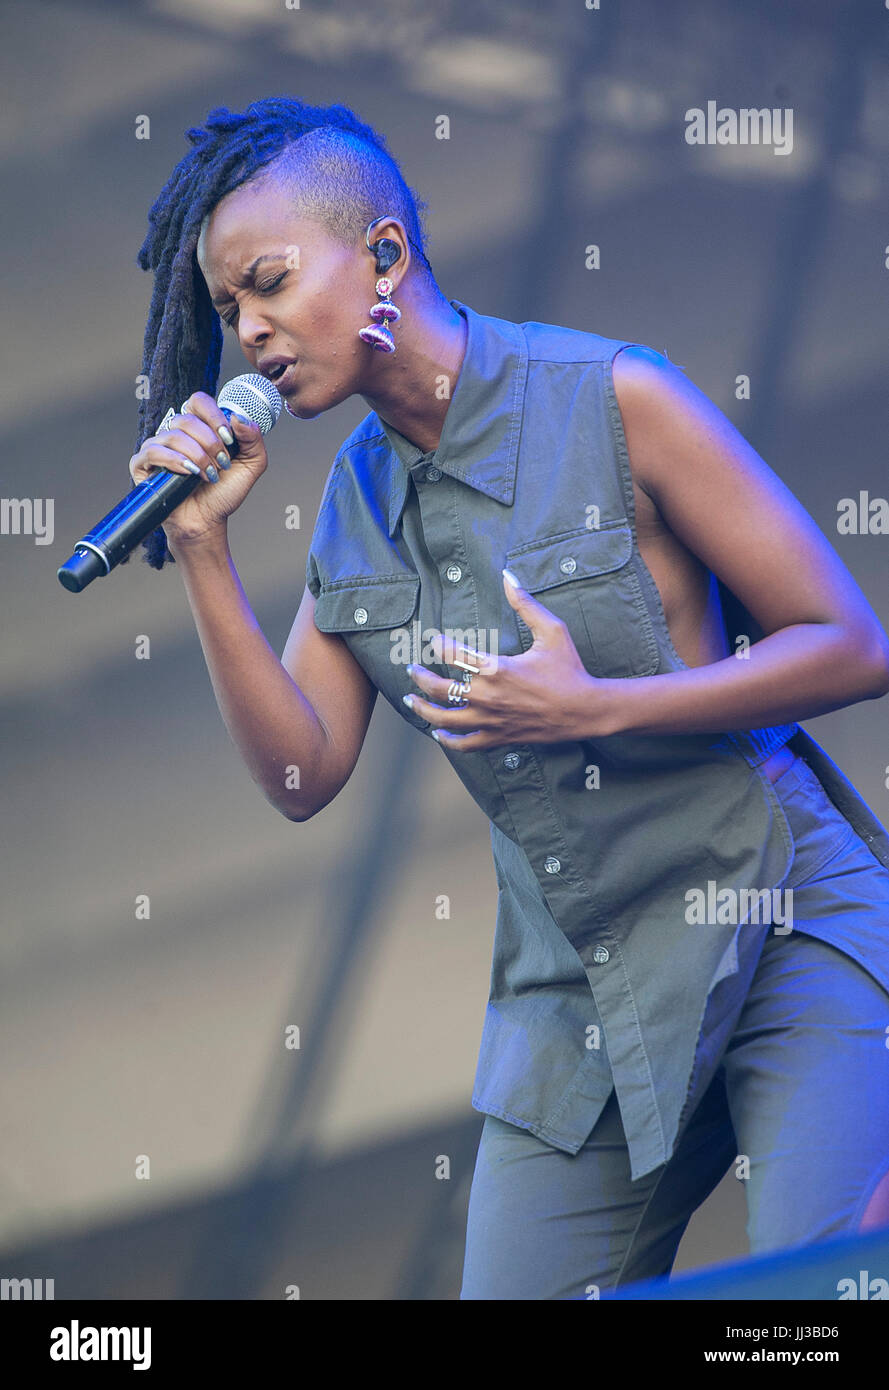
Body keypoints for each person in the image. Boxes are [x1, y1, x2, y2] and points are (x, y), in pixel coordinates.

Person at [128, 97, 889, 1300]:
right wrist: (205, 556)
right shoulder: (355, 507)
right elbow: (299, 776)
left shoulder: (613, 396)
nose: (251, 332)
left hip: (776, 907)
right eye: (229, 311)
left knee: (820, 1300)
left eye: (268, 283)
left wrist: (598, 708)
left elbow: (848, 640)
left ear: (384, 254)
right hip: (579, 982)